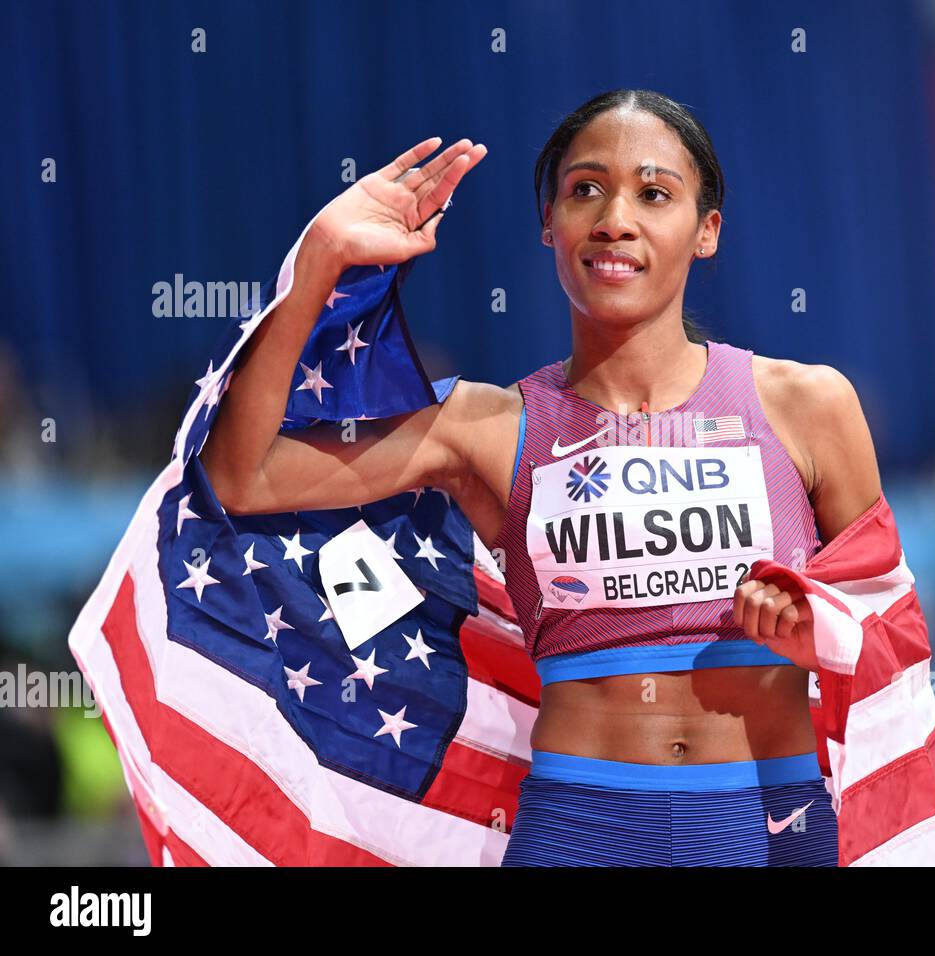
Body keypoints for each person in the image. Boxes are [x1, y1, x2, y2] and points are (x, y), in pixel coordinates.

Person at [201, 89, 884, 866]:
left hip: (771, 828)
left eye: (654, 194)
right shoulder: (483, 428)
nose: (614, 218)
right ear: (550, 227)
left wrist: (815, 616)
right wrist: (320, 260)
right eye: (584, 189)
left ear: (707, 232)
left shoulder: (808, 406)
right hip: (577, 834)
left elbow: (888, 625)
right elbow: (242, 476)